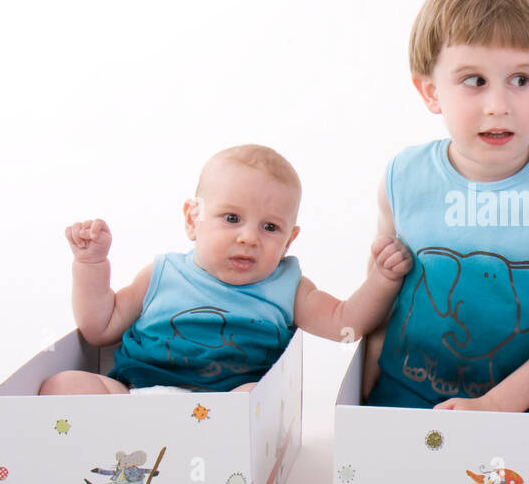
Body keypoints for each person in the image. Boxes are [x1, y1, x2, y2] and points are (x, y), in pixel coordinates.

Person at [361, 0, 529, 412]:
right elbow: (382, 306)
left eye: (521, 80)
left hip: (525, 402)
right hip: (405, 394)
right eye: (474, 81)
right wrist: (364, 385)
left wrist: (493, 406)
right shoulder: (404, 178)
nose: (499, 104)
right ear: (431, 92)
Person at [40, 144, 411, 394]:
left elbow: (345, 326)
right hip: (136, 394)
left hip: (224, 411)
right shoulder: (161, 274)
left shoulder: (287, 286)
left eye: (270, 227)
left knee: (253, 398)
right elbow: (98, 327)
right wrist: (90, 264)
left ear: (289, 240)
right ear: (193, 218)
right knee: (62, 385)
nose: (249, 238)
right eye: (231, 218)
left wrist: (383, 278)